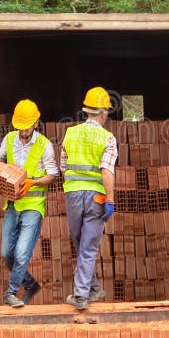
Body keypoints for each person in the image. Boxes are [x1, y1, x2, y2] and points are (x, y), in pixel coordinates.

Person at [0, 99, 59, 307]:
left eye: (27, 127)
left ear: (36, 123)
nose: (23, 131)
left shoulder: (45, 145)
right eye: (20, 127)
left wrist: (33, 182)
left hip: (33, 207)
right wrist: (1, 173)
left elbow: (53, 174)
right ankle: (30, 285)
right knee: (7, 253)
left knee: (22, 253)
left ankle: (11, 293)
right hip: (12, 205)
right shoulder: (9, 139)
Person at [61, 87, 117, 310]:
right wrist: (110, 199)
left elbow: (64, 166)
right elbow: (107, 170)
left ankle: (92, 288)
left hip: (73, 194)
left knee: (80, 242)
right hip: (96, 197)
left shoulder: (70, 133)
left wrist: (74, 188)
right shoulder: (107, 138)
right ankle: (82, 295)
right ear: (103, 113)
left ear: (86, 111)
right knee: (88, 245)